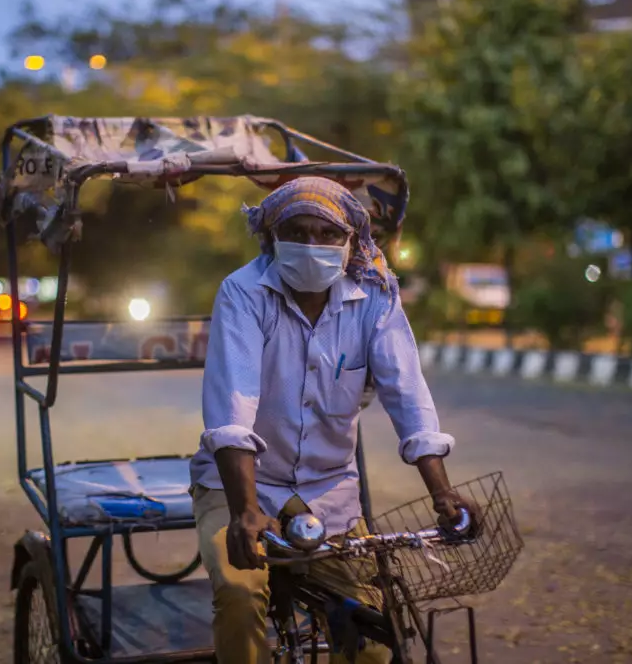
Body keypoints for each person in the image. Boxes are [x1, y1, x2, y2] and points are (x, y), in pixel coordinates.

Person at [190, 176, 476, 663]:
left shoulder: (376, 297)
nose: (312, 245)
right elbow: (233, 406)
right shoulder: (242, 293)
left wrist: (442, 493)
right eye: (297, 232)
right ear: (272, 238)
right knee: (240, 598)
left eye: (327, 234)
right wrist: (244, 511)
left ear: (350, 241)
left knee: (372, 635)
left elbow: (408, 395)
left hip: (330, 491)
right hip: (238, 488)